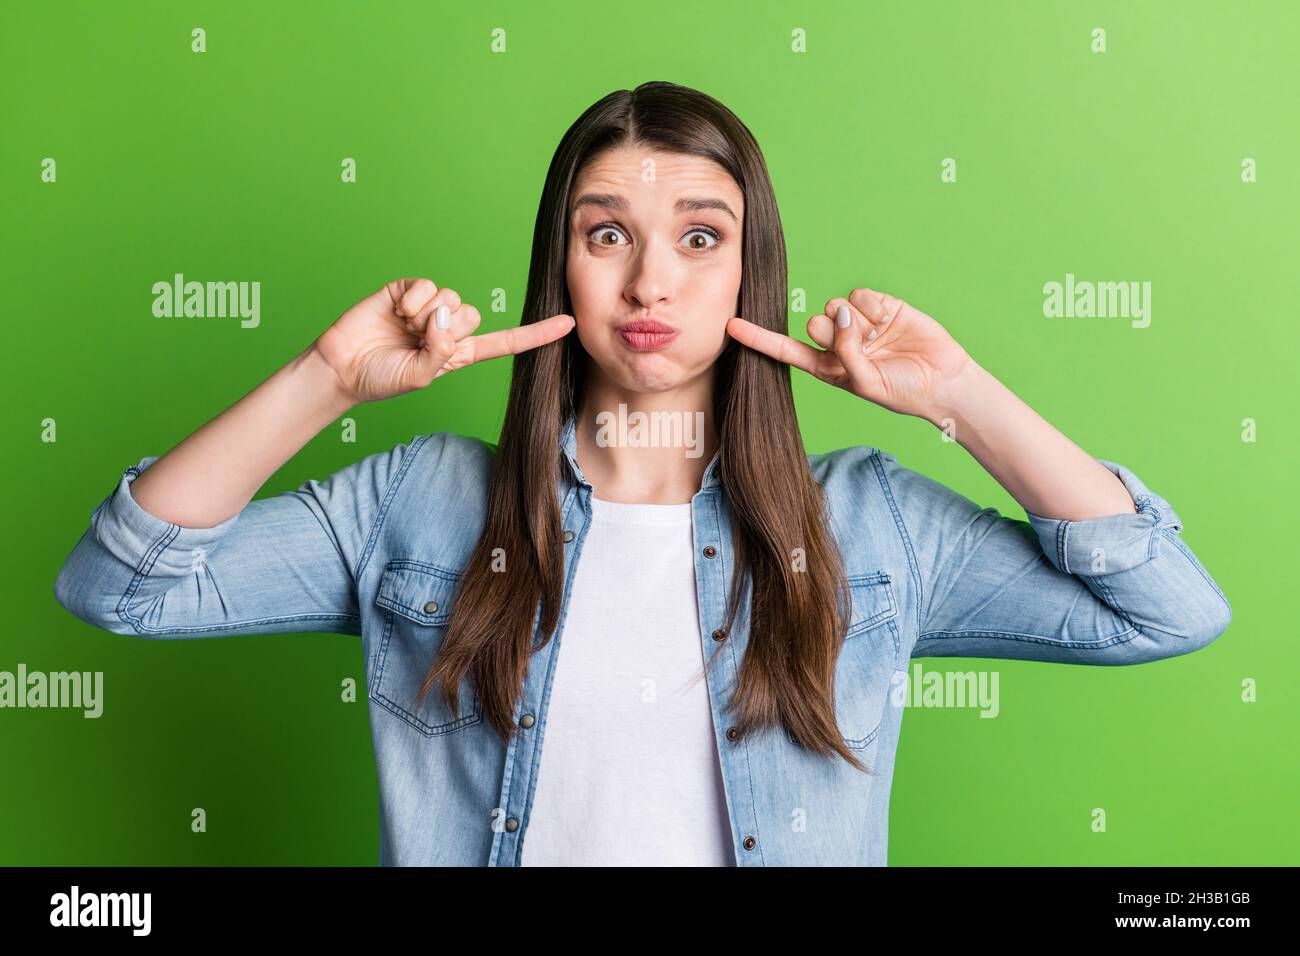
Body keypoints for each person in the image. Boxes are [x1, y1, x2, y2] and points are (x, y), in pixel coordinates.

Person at [53, 81, 1231, 867]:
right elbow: (123, 584)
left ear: (748, 271)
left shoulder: (870, 523)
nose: (650, 283)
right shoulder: (422, 503)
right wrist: (326, 378)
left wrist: (957, 397)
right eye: (606, 232)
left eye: (700, 237)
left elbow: (1168, 607)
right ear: (559, 262)